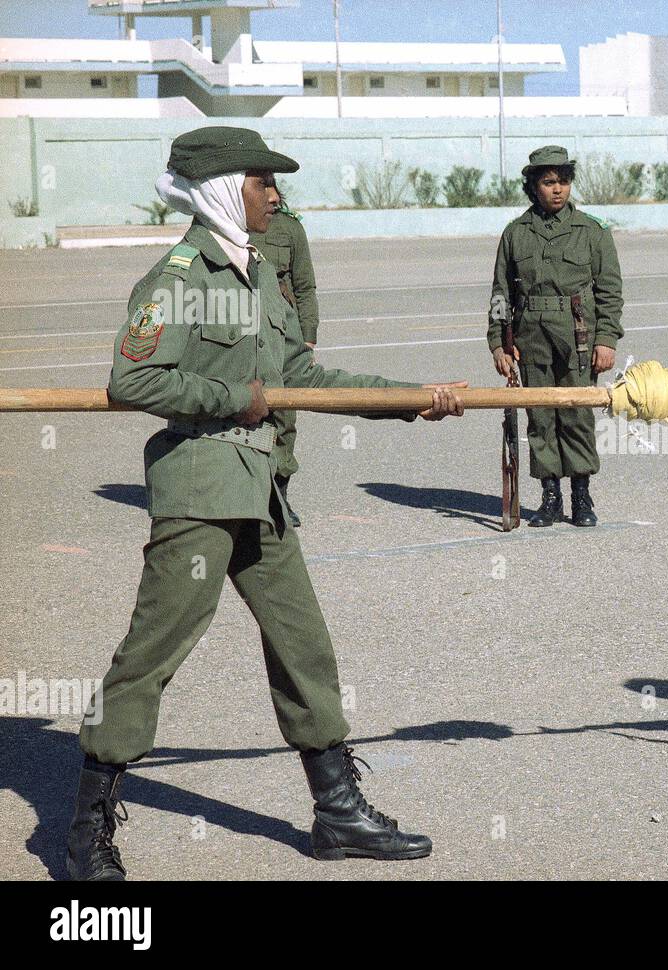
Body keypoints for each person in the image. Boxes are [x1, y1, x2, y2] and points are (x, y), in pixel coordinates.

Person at [67, 126, 466, 880]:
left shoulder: (258, 274)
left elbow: (301, 379)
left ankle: (337, 813)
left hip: (262, 487)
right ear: (225, 189)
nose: (276, 196)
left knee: (302, 644)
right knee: (151, 655)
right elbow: (134, 379)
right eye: (263, 182)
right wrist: (232, 399)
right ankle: (85, 831)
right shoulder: (181, 277)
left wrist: (411, 398)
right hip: (200, 491)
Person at [487, 145, 624, 528]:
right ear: (534, 186)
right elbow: (500, 294)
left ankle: (581, 495)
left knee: (576, 413)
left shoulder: (593, 232)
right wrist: (498, 343)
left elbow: (610, 291)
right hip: (531, 338)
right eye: (549, 182)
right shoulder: (515, 234)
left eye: (563, 181)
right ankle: (550, 497)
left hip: (578, 336)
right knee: (541, 416)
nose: (558, 189)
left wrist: (606, 339)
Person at [248, 185, 318, 527]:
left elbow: (305, 288)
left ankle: (280, 496)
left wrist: (308, 339)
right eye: (261, 185)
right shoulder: (232, 227)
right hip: (246, 336)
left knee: (284, 419)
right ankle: (250, 496)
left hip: (283, 337)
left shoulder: (290, 229)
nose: (272, 197)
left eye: (272, 185)